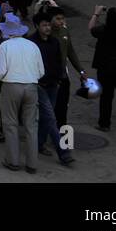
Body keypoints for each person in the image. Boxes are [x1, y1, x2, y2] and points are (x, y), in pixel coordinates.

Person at [0, 13, 43, 172]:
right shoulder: (33, 46)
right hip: (31, 85)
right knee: (31, 125)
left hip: (11, 86)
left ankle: (13, 161)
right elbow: (41, 71)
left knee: (10, 123)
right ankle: (32, 164)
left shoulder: (4, 46)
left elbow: (0, 71)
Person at [27, 11, 74, 166]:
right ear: (37, 26)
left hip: (53, 84)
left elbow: (60, 61)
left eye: (48, 25)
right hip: (39, 85)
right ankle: (64, 153)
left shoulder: (54, 42)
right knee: (51, 118)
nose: (47, 28)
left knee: (46, 118)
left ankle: (39, 144)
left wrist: (60, 78)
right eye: (44, 25)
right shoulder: (31, 43)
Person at [88, 5, 116, 132]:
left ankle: (104, 123)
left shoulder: (102, 31)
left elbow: (91, 28)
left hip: (106, 68)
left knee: (106, 97)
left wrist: (96, 13)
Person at [48, 5, 86, 131]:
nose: (61, 22)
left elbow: (71, 52)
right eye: (58, 19)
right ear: (50, 19)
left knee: (62, 108)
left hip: (63, 77)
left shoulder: (64, 32)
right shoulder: (46, 34)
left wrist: (81, 70)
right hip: (48, 79)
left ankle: (61, 134)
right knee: (48, 108)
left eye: (62, 19)